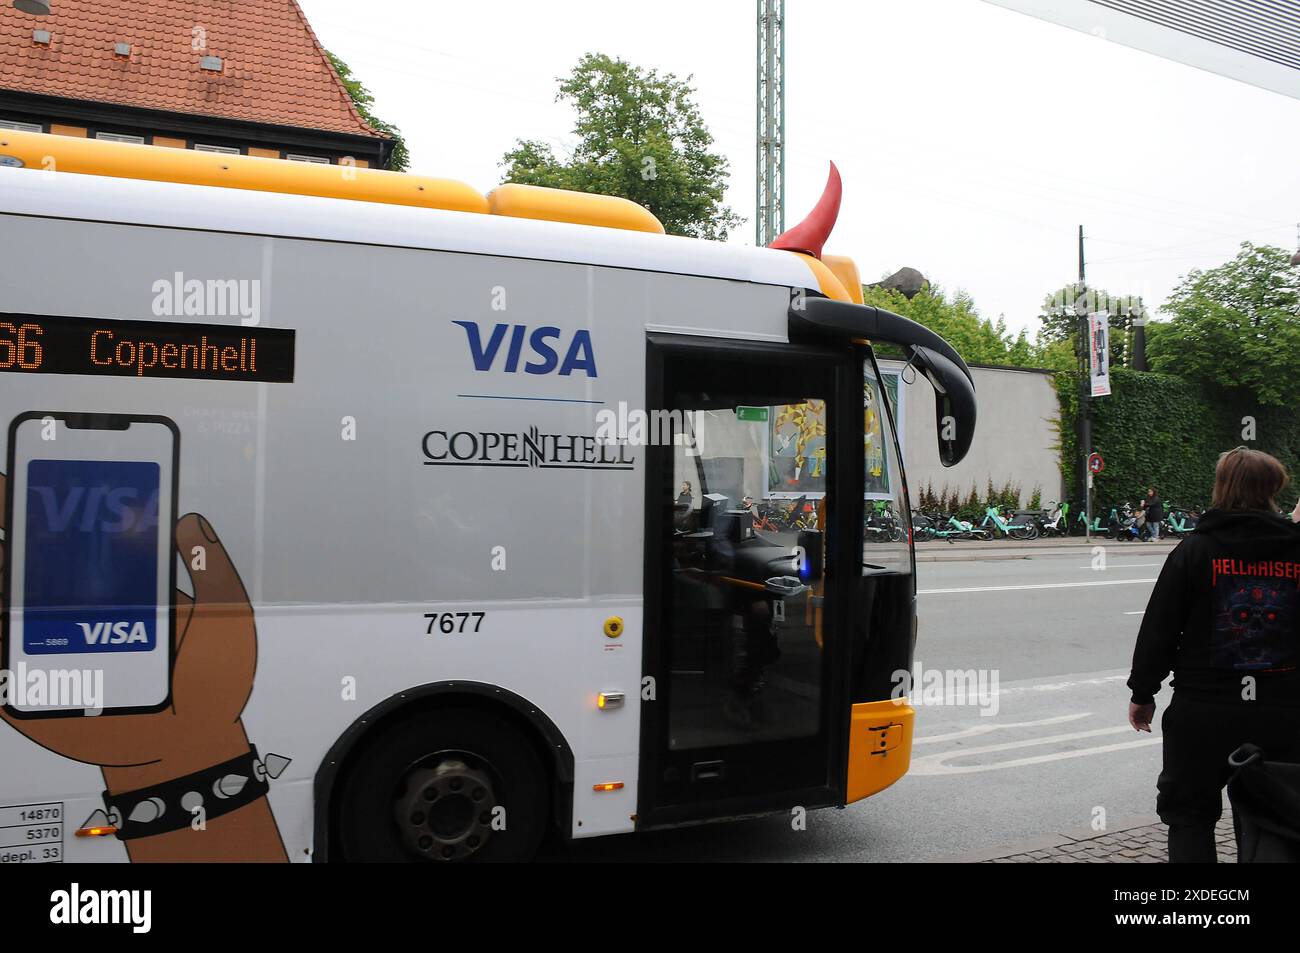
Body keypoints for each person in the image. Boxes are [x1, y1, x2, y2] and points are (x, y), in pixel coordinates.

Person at [1128, 448, 1300, 862]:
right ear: (1273, 490)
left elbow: (1160, 628)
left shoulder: (1194, 550)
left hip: (1203, 710)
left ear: (1221, 487)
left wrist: (1143, 693)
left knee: (1189, 815)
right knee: (1272, 813)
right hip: (1282, 710)